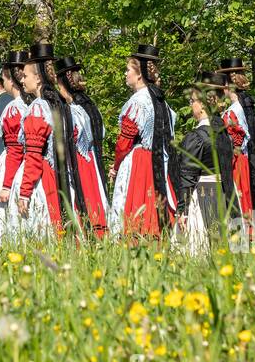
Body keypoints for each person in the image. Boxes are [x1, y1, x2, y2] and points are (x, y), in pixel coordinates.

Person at [110, 44, 177, 239]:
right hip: (160, 160)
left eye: (128, 70)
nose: (125, 74)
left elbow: (124, 141)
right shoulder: (161, 100)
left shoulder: (138, 101)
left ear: (139, 74)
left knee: (136, 205)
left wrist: (116, 166)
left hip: (140, 161)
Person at [12, 43, 71, 239]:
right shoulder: (59, 103)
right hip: (61, 174)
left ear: (38, 78)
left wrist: (25, 192)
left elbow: (34, 155)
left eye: (26, 76)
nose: (22, 80)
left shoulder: (38, 108)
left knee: (40, 231)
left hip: (43, 177)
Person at [171, 76, 235, 253]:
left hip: (204, 193)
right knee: (223, 245)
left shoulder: (196, 137)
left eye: (192, 101)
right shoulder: (223, 134)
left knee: (200, 248)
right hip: (224, 193)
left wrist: (182, 210)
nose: (191, 104)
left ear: (201, 105)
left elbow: (187, 175)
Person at [0, 51, 30, 248]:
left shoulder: (11, 108)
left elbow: (8, 148)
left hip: (10, 166)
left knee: (1, 217)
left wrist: (2, 181)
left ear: (8, 80)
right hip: (28, 166)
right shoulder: (33, 104)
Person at [218, 56, 255, 232]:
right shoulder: (248, 107)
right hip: (253, 161)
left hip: (239, 165)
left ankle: (244, 239)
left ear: (227, 84)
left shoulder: (232, 112)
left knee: (241, 202)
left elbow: (233, 146)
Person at [56, 56, 109, 236]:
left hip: (81, 160)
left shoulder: (74, 108)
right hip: (93, 159)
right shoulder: (90, 104)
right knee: (96, 196)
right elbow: (101, 133)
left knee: (84, 198)